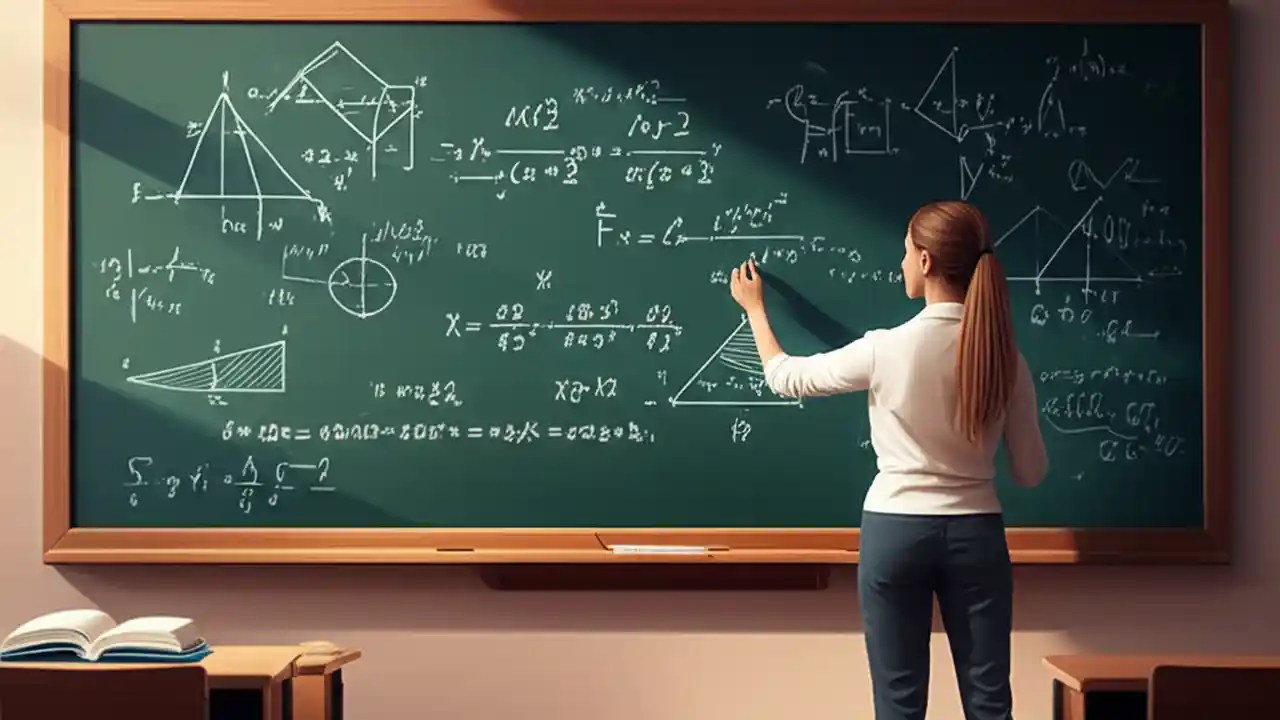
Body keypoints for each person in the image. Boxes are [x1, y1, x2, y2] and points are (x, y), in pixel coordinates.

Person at [728, 200, 1048, 720]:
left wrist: (755, 309)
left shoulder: (886, 349)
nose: (900, 264)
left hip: (894, 531)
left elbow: (785, 377)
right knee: (990, 703)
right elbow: (1030, 474)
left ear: (925, 262)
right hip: (977, 535)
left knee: (898, 707)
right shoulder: (1006, 358)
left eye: (905, 252)